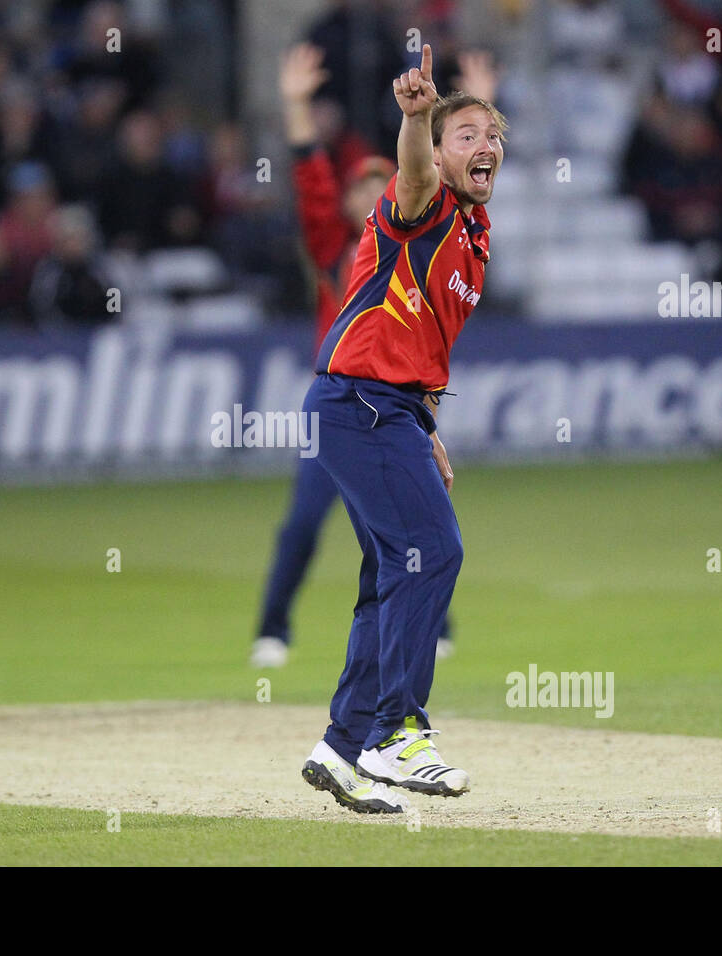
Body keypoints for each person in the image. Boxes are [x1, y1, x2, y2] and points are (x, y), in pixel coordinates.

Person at [300, 45, 504, 813]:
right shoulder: (418, 207)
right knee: (435, 551)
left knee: (389, 575)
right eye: (467, 136)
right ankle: (397, 731)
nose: (483, 147)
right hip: (359, 404)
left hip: (389, 410)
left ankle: (342, 747)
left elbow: (427, 346)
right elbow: (415, 171)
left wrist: (429, 426)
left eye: (491, 136)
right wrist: (418, 120)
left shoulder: (475, 235)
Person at [250, 43, 456, 669]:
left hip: (390, 403)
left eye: (380, 182)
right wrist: (295, 105)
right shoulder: (333, 246)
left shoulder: (414, 245)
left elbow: (431, 175)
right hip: (341, 404)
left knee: (403, 527)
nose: (372, 191)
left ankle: (435, 626)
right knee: (306, 524)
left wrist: (457, 111)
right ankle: (273, 630)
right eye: (361, 185)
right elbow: (311, 176)